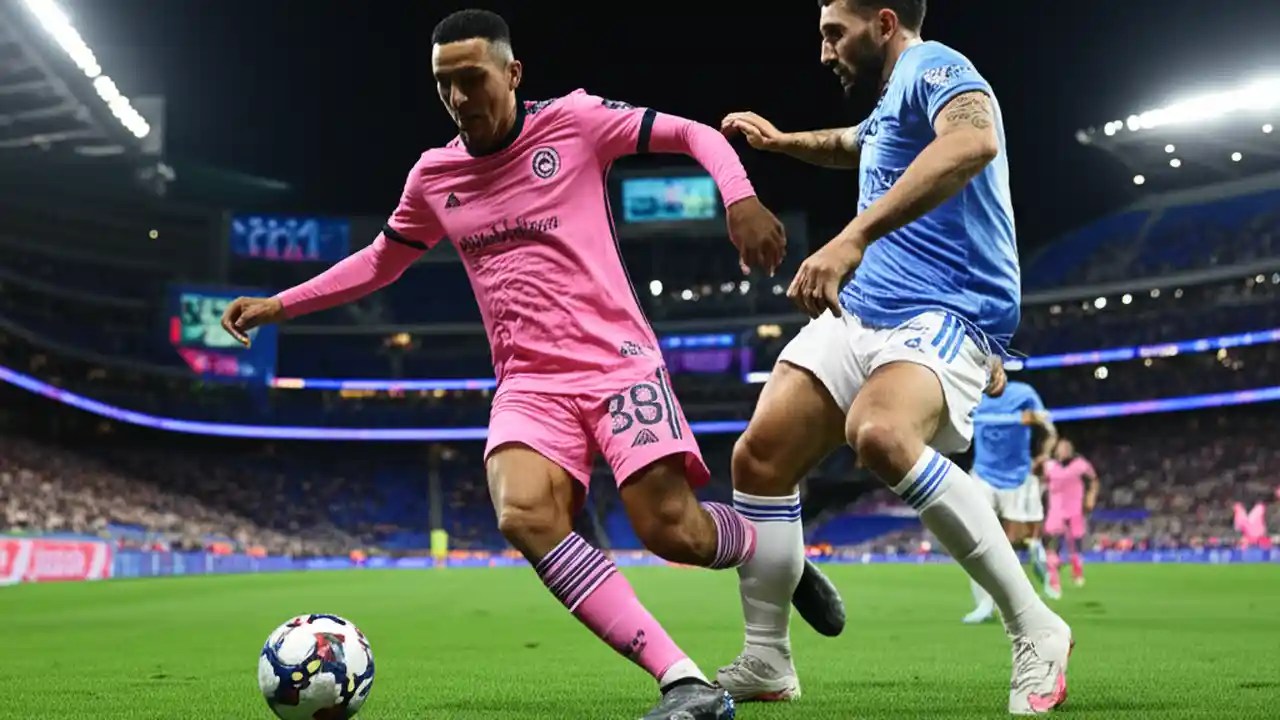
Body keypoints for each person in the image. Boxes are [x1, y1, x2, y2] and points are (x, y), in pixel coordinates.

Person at [216, 10, 841, 719]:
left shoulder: (575, 123)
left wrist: (741, 198)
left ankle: (774, 556)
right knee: (521, 511)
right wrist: (279, 306)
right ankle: (684, 682)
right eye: (443, 84)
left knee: (673, 532)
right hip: (528, 384)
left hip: (619, 364)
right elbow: (380, 263)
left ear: (512, 73)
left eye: (471, 78)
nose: (457, 97)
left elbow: (690, 133)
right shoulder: (434, 175)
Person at [714, 0, 1073, 713]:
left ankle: (1037, 626)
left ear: (884, 23)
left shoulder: (938, 67)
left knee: (879, 434)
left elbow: (971, 143)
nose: (823, 51)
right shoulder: (890, 103)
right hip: (866, 310)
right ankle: (766, 657)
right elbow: (854, 143)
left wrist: (851, 238)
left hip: (946, 309)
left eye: (833, 34)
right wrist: (785, 143)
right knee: (759, 458)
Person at [964, 379, 1058, 624]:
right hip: (983, 475)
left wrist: (1045, 455)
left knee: (1026, 540)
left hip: (1019, 478)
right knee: (976, 538)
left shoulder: (1024, 393)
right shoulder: (971, 392)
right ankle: (984, 605)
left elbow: (1050, 430)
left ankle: (1045, 576)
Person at [1043, 438, 1099, 595]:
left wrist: (1091, 496)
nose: (1063, 451)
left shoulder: (1081, 465)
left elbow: (1093, 480)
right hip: (1055, 511)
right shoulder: (1049, 466)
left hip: (1075, 510)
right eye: (1060, 448)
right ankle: (1054, 581)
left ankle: (1077, 568)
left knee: (1075, 543)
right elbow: (1041, 482)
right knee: (1052, 544)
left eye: (1066, 448)